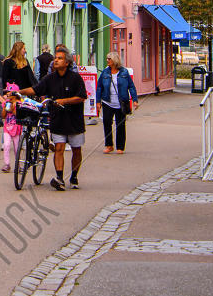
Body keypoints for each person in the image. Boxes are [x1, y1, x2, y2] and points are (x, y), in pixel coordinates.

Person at [34, 45, 86, 191]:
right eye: (55, 58)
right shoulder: (50, 78)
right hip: (57, 118)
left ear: (67, 62)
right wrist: (18, 92)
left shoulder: (75, 78)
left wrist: (65, 101)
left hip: (74, 119)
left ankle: (74, 175)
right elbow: (36, 89)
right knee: (59, 148)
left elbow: (82, 97)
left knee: (76, 149)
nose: (55, 61)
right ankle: (60, 178)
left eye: (59, 58)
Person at [95, 51, 139, 154]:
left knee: (120, 125)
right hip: (107, 102)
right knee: (106, 123)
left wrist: (135, 99)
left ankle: (120, 147)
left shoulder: (124, 72)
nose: (107, 60)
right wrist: (98, 101)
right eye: (107, 58)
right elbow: (99, 87)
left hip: (121, 102)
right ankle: (109, 145)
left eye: (109, 59)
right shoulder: (105, 72)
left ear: (114, 60)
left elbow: (131, 86)